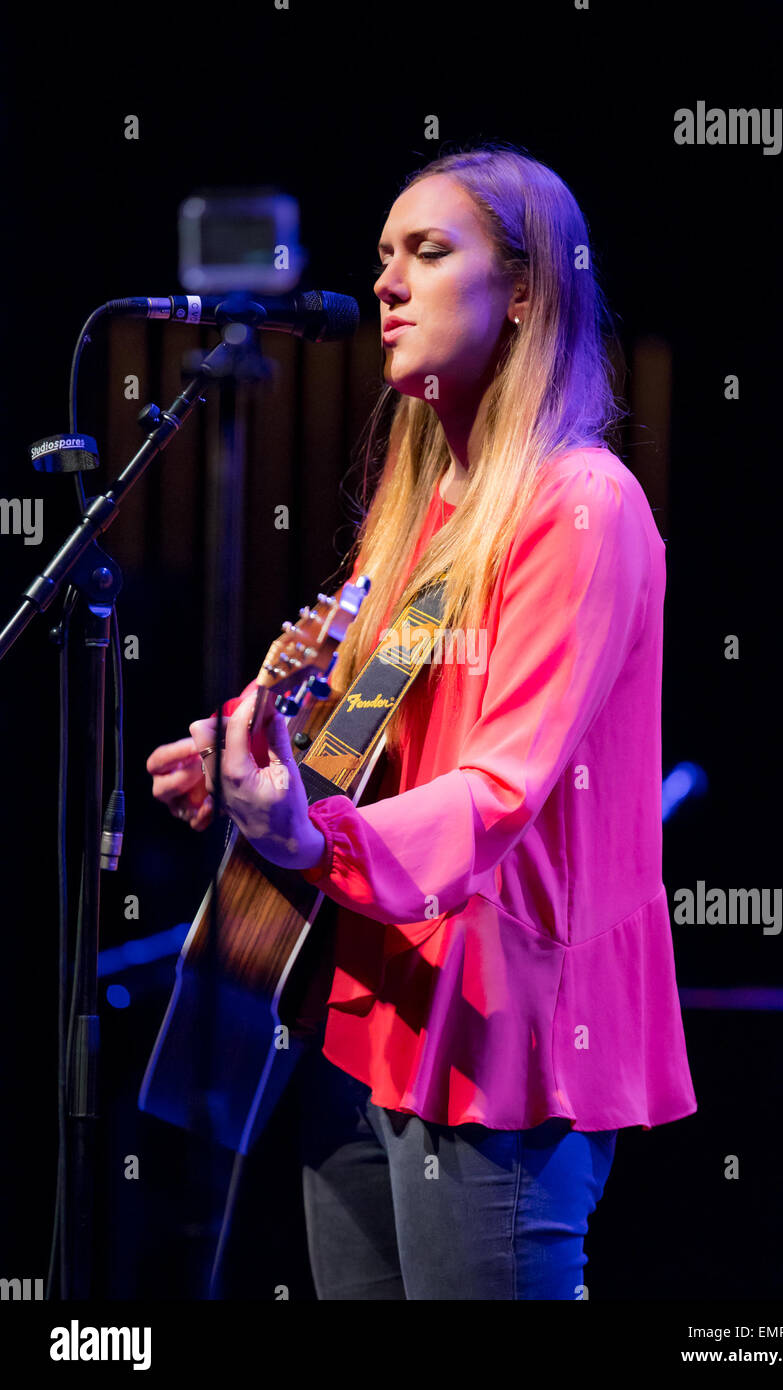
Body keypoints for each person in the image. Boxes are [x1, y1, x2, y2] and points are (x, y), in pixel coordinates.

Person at [146, 143, 697, 1300]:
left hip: (497, 1025)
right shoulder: (434, 505)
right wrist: (242, 758)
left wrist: (308, 839)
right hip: (366, 1010)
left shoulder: (580, 504)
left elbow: (498, 787)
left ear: (526, 293)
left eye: (428, 253)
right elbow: (367, 732)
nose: (387, 283)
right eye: (384, 256)